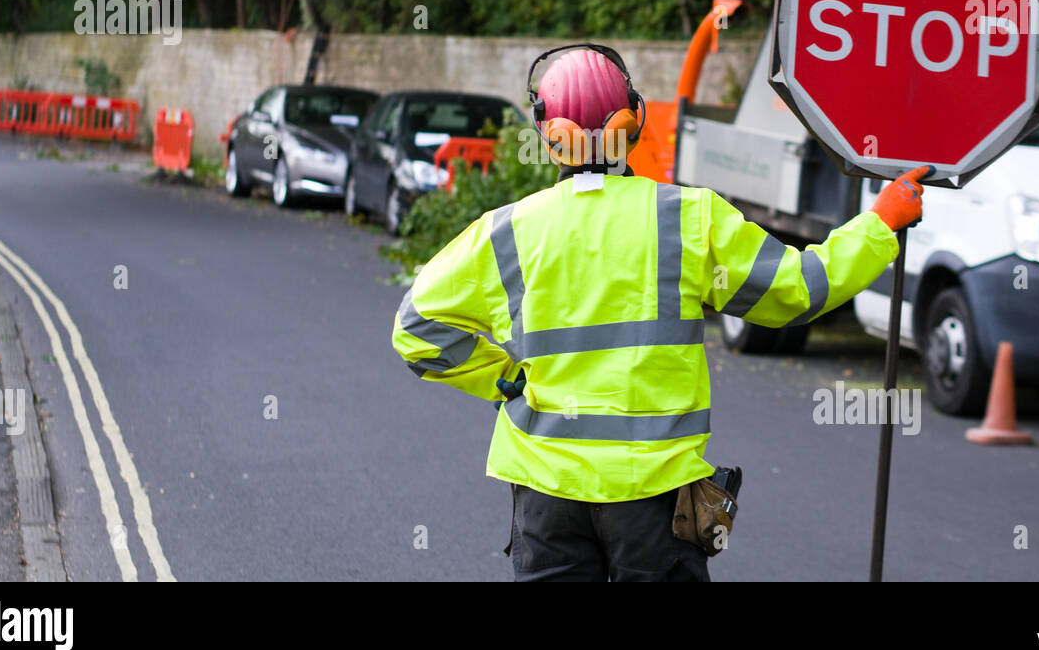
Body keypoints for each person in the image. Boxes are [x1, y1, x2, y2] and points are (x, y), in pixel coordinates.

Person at [390, 44, 929, 582]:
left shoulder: (506, 232)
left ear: (546, 132)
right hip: (653, 500)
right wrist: (879, 224)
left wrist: (505, 380)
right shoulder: (689, 218)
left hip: (546, 494)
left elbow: (417, 329)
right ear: (634, 121)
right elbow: (800, 290)